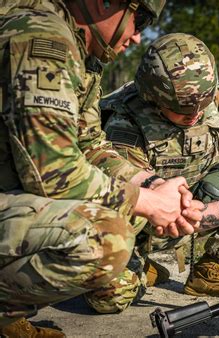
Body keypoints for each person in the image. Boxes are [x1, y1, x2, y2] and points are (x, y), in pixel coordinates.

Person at [0, 1, 205, 336]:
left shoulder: (80, 50)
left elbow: (90, 144)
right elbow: (52, 172)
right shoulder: (43, 36)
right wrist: (149, 203)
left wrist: (152, 185)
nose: (138, 37)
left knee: (130, 211)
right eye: (140, 19)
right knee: (105, 240)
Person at [95, 33, 219, 312]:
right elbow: (156, 207)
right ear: (154, 99)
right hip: (144, 222)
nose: (194, 114)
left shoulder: (210, 96)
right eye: (182, 109)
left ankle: (210, 269)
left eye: (201, 105)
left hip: (193, 206)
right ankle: (139, 266)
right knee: (111, 300)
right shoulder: (124, 121)